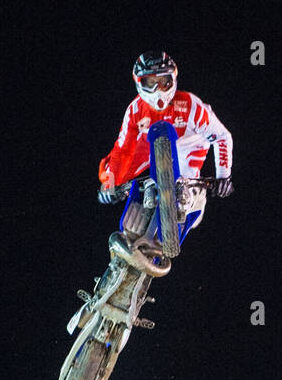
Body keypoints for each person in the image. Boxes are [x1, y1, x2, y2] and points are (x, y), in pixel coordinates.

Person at [97, 51, 233, 248]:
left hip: (189, 150)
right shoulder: (135, 111)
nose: (157, 90)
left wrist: (223, 177)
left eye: (163, 81)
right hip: (152, 151)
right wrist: (110, 184)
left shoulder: (191, 105)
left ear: (174, 79)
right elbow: (122, 150)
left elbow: (221, 136)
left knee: (183, 193)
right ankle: (127, 245)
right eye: (150, 82)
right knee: (125, 194)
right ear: (138, 83)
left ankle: (189, 205)